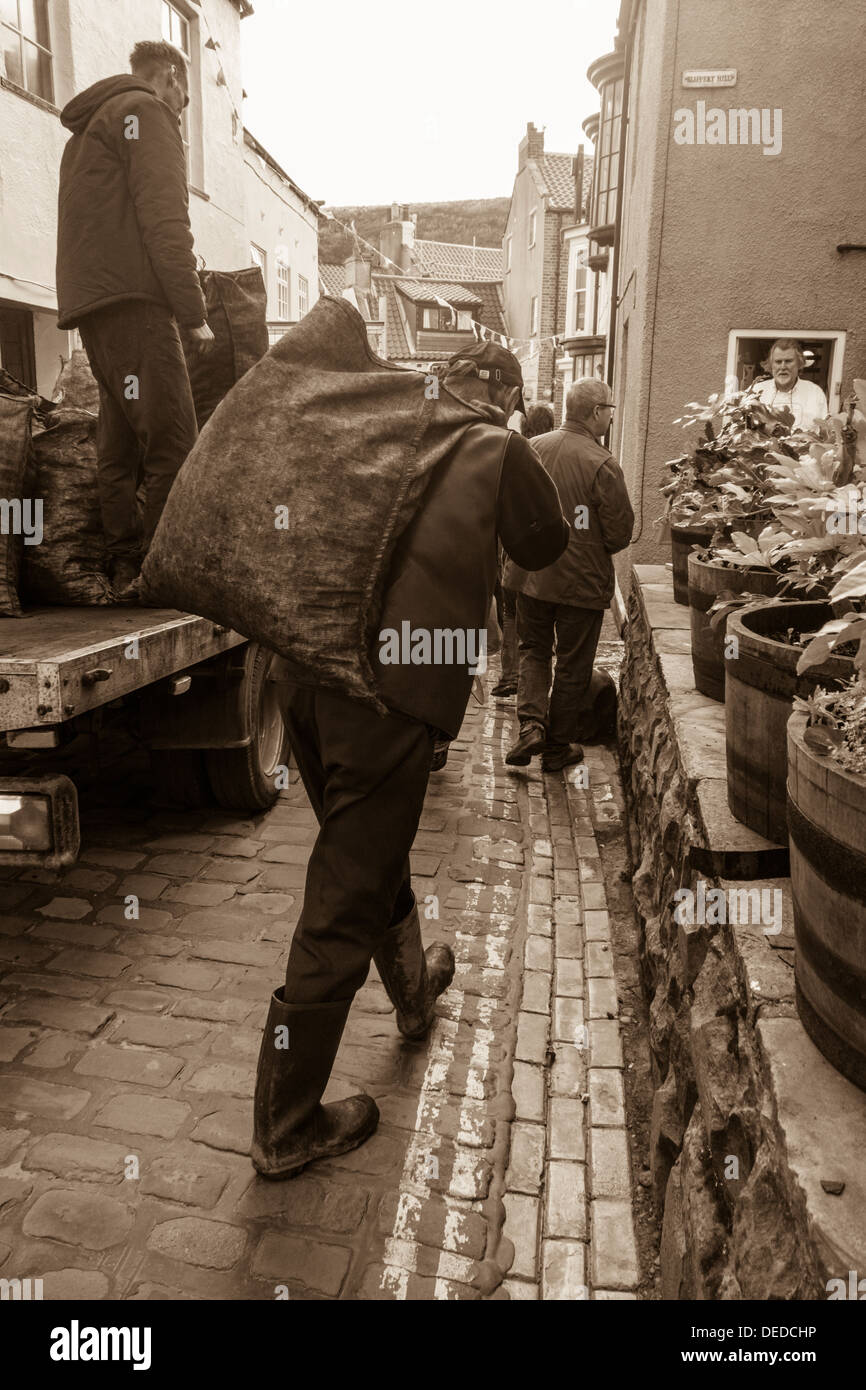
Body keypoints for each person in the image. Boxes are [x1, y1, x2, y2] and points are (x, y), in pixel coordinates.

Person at [251, 341, 570, 1180]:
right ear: (503, 394)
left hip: (303, 674)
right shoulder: (496, 445)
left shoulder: (380, 420)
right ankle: (286, 1126)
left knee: (366, 850)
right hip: (386, 699)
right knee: (343, 897)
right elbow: (542, 545)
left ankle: (414, 997)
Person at [56, 40, 214, 599]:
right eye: (185, 98)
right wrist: (194, 315)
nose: (182, 109)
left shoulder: (86, 131)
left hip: (94, 309)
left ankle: (123, 566)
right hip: (136, 306)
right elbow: (166, 219)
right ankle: (158, 574)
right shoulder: (146, 113)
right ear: (170, 77)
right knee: (174, 441)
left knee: (118, 444)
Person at [504, 377, 634, 773]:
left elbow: (510, 509)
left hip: (530, 575)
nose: (611, 416)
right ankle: (557, 748)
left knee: (534, 650)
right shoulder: (603, 463)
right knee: (573, 665)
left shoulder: (532, 449)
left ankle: (530, 726)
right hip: (580, 583)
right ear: (596, 413)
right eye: (609, 409)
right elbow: (619, 533)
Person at [492, 401, 556, 698]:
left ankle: (509, 675)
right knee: (537, 623)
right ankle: (534, 684)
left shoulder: (515, 451)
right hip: (545, 555)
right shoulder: (551, 452)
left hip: (513, 552)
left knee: (510, 612)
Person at [751, 339, 828, 430]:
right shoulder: (756, 391)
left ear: (799, 364)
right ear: (771, 365)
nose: (783, 367)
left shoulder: (815, 392)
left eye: (788, 361)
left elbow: (825, 431)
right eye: (778, 362)